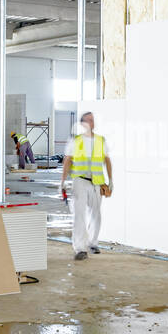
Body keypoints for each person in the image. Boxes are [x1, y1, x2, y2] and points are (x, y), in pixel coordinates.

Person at [59, 112, 112, 262]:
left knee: (96, 214)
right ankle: (80, 248)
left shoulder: (101, 140)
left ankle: (92, 243)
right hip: (80, 181)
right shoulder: (76, 141)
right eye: (88, 120)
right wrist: (62, 181)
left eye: (92, 120)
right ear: (82, 124)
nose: (91, 122)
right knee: (79, 214)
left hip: (96, 182)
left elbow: (107, 160)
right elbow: (68, 160)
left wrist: (110, 180)